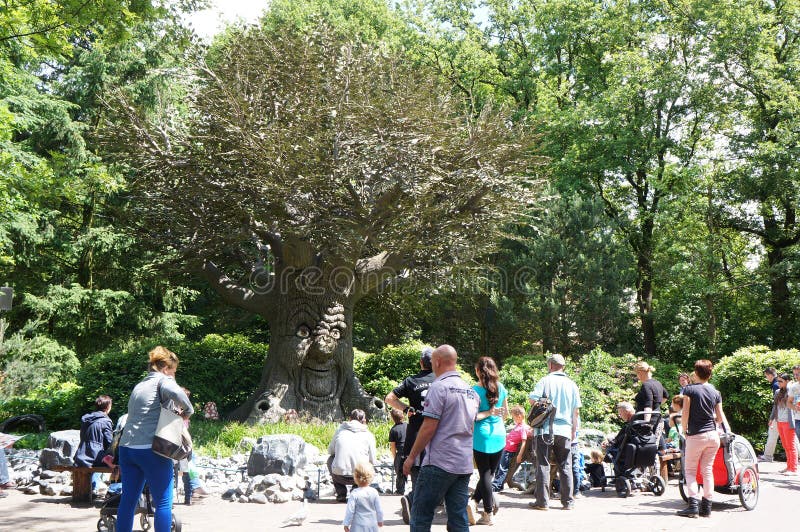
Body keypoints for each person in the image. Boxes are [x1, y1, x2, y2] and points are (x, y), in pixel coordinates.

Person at [402, 344, 479, 532]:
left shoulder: (439, 387)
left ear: (436, 362)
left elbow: (428, 427)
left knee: (421, 514)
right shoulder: (471, 392)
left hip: (439, 461)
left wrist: (411, 457)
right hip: (463, 463)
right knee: (458, 517)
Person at [117, 346, 193, 532]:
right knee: (164, 503)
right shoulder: (163, 381)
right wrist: (188, 412)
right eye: (173, 372)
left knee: (128, 501)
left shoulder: (139, 385)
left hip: (126, 448)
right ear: (166, 368)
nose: (173, 376)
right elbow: (179, 395)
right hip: (151, 450)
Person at [384, 346, 436, 523]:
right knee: (439, 470)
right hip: (437, 432)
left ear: (421, 362)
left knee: (416, 468)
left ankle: (414, 502)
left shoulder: (411, 381)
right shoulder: (442, 380)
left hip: (415, 432)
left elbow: (389, 398)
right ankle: (423, 503)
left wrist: (406, 408)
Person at [527, 353, 581, 511]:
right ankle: (568, 502)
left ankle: (542, 502)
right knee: (565, 465)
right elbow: (575, 412)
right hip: (565, 430)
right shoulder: (572, 384)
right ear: (563, 366)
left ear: (550, 365)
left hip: (544, 430)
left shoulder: (545, 380)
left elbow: (533, 400)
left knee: (543, 464)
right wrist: (573, 431)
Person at [677, 359, 730, 518]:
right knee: (707, 471)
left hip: (696, 435)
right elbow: (720, 418)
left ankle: (693, 506)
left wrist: (684, 429)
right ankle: (707, 508)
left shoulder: (689, 390)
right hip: (713, 436)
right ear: (710, 373)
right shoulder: (715, 392)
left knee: (691, 471)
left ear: (696, 373)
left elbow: (684, 413)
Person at [468, 356, 508, 526]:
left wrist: (488, 413)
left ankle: (488, 513)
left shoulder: (473, 391)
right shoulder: (501, 388)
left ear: (478, 371)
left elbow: (471, 417)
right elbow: (505, 414)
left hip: (481, 437)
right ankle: (474, 501)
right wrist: (494, 412)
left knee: (484, 473)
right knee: (489, 475)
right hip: (499, 434)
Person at [328, 409, 377, 502]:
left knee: (330, 459)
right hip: (360, 477)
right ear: (364, 420)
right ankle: (356, 491)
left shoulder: (340, 431)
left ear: (349, 419)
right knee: (369, 464)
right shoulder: (368, 435)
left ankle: (341, 493)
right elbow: (373, 459)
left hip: (339, 476)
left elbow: (330, 451)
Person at [73, 394, 114, 494]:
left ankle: (93, 487)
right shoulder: (105, 421)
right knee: (117, 463)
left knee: (101, 459)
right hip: (94, 458)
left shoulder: (86, 419)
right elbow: (110, 443)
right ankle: (112, 490)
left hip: (80, 455)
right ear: (108, 406)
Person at [491, 405, 530, 492]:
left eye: (514, 417)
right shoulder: (518, 426)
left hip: (509, 451)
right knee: (498, 467)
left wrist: (519, 455)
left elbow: (524, 441)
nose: (513, 419)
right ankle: (498, 485)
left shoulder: (523, 427)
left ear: (519, 416)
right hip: (504, 449)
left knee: (502, 468)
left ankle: (496, 486)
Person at [342, 461, 384, 532]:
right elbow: (379, 509)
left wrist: (346, 524)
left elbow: (350, 511)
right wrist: (380, 520)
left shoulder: (354, 493)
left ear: (355, 477)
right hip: (372, 524)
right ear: (371, 476)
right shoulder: (374, 492)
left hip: (358, 525)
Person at [770, 373, 797, 475]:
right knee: (785, 446)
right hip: (779, 421)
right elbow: (775, 407)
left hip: (788, 422)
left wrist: (790, 385)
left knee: (791, 446)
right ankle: (788, 466)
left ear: (787, 381)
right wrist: (771, 418)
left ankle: (793, 468)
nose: (778, 383)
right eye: (778, 381)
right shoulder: (777, 392)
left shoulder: (792, 391)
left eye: (781, 381)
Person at [760, 367, 780, 462]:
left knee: (772, 434)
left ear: (771, 375)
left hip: (778, 415)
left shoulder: (776, 385)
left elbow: (776, 404)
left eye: (766, 376)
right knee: (791, 437)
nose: (766, 378)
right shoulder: (779, 383)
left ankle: (767, 456)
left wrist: (772, 418)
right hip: (785, 414)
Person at [388, 409, 407, 495]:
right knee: (415, 473)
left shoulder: (393, 430)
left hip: (400, 453)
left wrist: (395, 457)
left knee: (399, 473)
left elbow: (392, 447)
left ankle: (400, 491)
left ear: (393, 418)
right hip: (410, 451)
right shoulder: (408, 425)